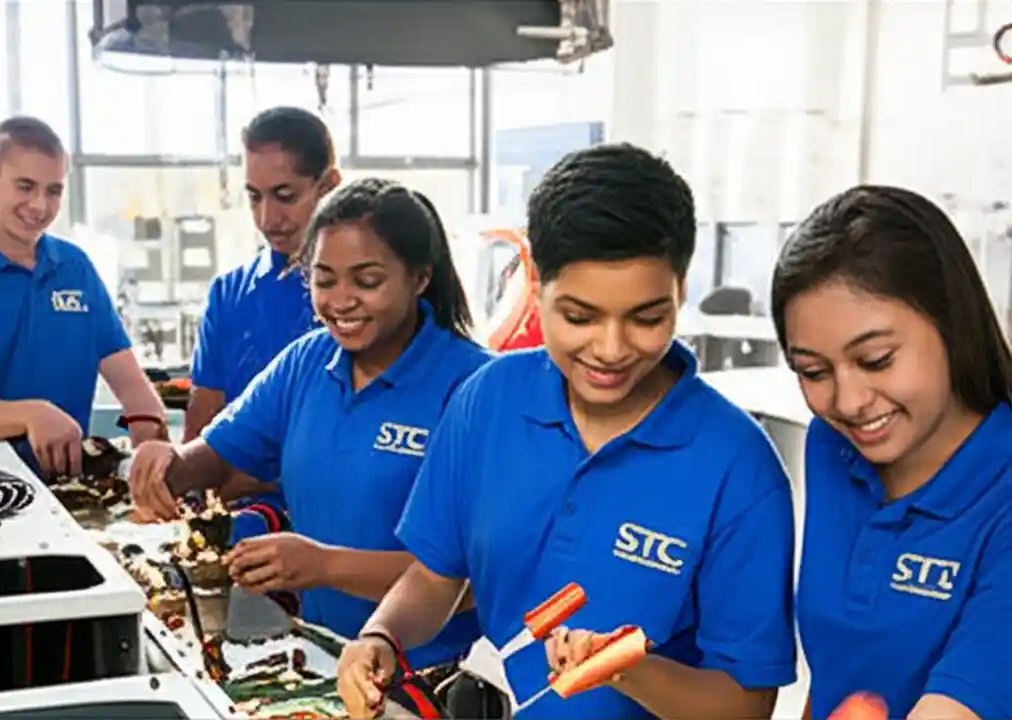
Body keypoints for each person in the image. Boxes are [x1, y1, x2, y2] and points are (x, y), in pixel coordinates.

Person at [337, 144, 797, 719]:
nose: (611, 349)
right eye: (579, 317)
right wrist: (381, 637)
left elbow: (745, 705)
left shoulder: (737, 468)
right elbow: (436, 576)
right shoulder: (488, 401)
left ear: (681, 290)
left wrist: (626, 669)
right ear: (536, 284)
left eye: (647, 318)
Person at [128, 177, 489, 670]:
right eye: (324, 280)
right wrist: (166, 465)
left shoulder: (475, 388)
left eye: (367, 281)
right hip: (325, 659)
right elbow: (221, 453)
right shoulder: (307, 363)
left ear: (420, 278)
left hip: (436, 674)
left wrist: (324, 565)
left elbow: (473, 580)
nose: (341, 301)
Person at [769, 186, 1012, 720]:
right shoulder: (831, 446)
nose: (848, 402)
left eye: (876, 360)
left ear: (951, 324)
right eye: (814, 372)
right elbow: (836, 674)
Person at [0, 115, 168, 478]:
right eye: (25, 187)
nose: (39, 206)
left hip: (64, 487)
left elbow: (130, 381)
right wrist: (34, 414)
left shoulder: (75, 267)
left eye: (53, 191)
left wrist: (148, 428)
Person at [184, 106, 340, 505]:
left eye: (285, 196)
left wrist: (262, 481)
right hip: (238, 520)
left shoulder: (355, 305)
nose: (269, 218)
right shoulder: (229, 293)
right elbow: (200, 429)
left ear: (329, 186)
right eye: (254, 197)